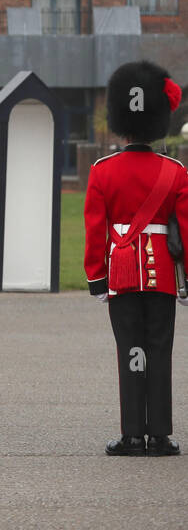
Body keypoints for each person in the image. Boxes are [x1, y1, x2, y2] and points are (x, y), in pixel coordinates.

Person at [84, 60, 188, 457]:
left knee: (131, 349)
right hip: (160, 275)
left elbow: (96, 231)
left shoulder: (102, 171)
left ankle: (131, 435)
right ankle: (160, 436)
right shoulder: (175, 172)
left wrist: (96, 277)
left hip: (121, 274)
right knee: (160, 349)